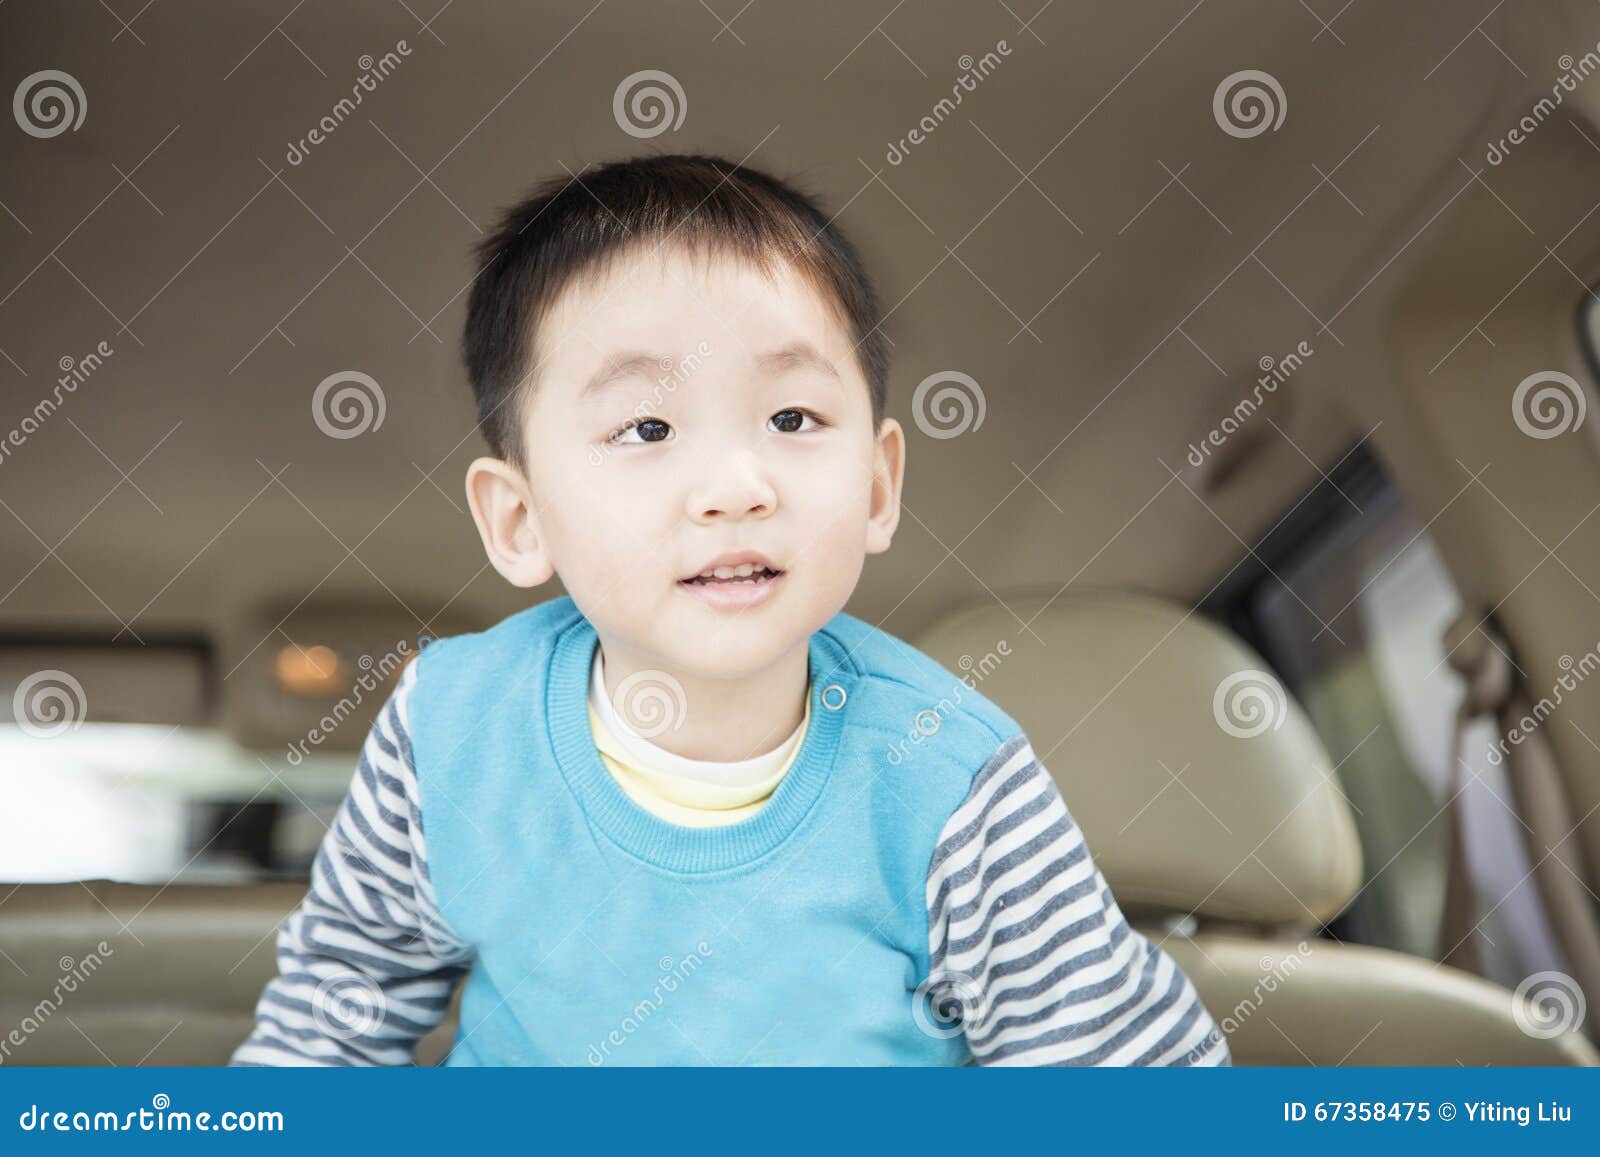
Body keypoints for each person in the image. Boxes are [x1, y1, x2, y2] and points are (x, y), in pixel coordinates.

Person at [231, 153, 1230, 1067]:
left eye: (791, 418)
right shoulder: (451, 730)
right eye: (648, 425)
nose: (735, 484)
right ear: (520, 518)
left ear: (878, 487)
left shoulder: (951, 780)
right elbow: (331, 1018)